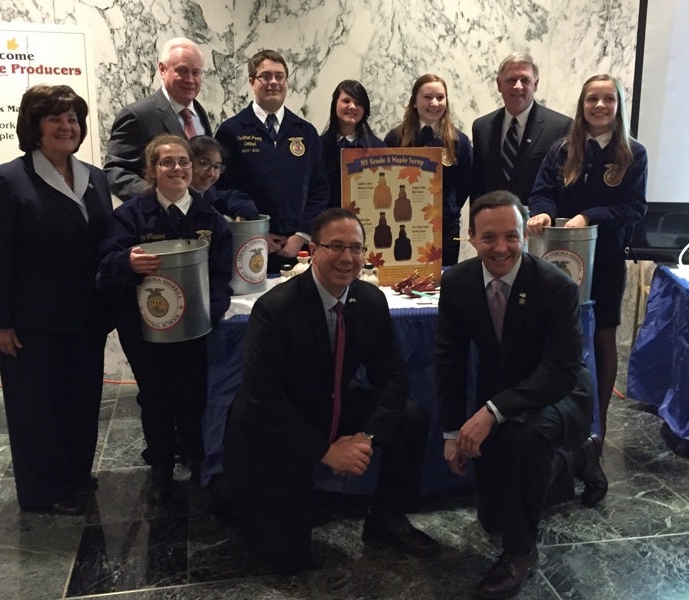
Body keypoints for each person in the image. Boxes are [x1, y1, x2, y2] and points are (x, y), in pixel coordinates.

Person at [221, 207, 438, 573]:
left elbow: (392, 377)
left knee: (410, 417)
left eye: (356, 248)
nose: (347, 258)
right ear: (314, 251)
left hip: (334, 400)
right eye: (335, 246)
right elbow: (263, 398)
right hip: (275, 421)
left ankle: (386, 517)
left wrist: (367, 437)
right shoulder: (275, 309)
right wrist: (325, 452)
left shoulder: (370, 301)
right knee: (289, 560)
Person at [436, 191, 607, 599]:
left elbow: (560, 370)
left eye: (511, 236)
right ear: (471, 238)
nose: (501, 248)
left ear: (524, 237)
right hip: (502, 392)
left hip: (561, 392)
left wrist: (492, 411)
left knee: (524, 437)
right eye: (489, 237)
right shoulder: (457, 282)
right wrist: (449, 433)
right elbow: (449, 360)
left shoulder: (557, 286)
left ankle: (520, 552)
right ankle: (577, 457)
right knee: (491, 515)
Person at [0, 84, 113, 515]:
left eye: (72, 118)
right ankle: (41, 491)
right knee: (37, 406)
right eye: (54, 117)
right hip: (32, 321)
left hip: (87, 317)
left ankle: (73, 475)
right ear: (34, 126)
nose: (66, 126)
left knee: (81, 399)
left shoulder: (96, 178)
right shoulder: (6, 179)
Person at [96, 134, 233, 499]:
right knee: (156, 396)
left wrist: (210, 314)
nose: (177, 168)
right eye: (167, 162)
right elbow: (104, 271)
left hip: (195, 330)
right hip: (144, 328)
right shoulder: (129, 216)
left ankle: (196, 456)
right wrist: (126, 261)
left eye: (184, 161)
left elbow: (221, 277)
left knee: (193, 394)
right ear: (152, 170)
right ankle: (160, 466)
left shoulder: (211, 220)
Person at [528, 74, 648, 445]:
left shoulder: (633, 153)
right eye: (592, 99)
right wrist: (543, 212)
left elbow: (633, 207)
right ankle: (553, 417)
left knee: (602, 337)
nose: (599, 106)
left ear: (619, 106)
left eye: (608, 99)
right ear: (582, 105)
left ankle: (598, 424)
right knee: (552, 334)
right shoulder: (562, 149)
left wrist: (590, 216)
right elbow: (542, 192)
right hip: (558, 258)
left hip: (607, 260)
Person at [215, 49, 329, 273]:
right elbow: (220, 190)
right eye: (265, 76)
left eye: (279, 76)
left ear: (287, 82)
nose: (273, 82)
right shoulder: (231, 131)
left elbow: (320, 190)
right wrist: (255, 235)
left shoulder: (305, 132)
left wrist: (301, 236)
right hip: (249, 250)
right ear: (251, 82)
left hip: (299, 252)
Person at [105, 37, 213, 201]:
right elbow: (115, 172)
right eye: (182, 71)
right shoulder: (137, 115)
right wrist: (158, 198)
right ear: (162, 70)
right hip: (156, 222)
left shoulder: (199, 113)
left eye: (196, 72)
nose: (190, 79)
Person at [384, 74, 471, 265]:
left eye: (440, 97)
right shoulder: (395, 139)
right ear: (414, 102)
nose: (434, 103)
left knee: (442, 285)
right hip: (403, 226)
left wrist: (449, 207)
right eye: (427, 97)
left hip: (444, 228)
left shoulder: (460, 142)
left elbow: (465, 184)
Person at [470, 53, 572, 207]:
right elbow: (477, 185)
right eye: (511, 80)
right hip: (494, 225)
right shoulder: (481, 127)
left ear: (535, 85)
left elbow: (563, 186)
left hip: (539, 225)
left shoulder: (560, 127)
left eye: (525, 80)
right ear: (499, 84)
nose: (518, 86)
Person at [319, 80, 385, 209]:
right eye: (346, 101)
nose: (352, 107)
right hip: (328, 219)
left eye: (358, 103)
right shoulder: (319, 146)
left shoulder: (378, 148)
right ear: (335, 104)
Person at [188, 135, 259, 221]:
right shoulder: (175, 195)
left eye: (217, 167)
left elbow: (238, 198)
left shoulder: (210, 195)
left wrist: (243, 214)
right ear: (187, 163)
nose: (211, 173)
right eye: (204, 164)